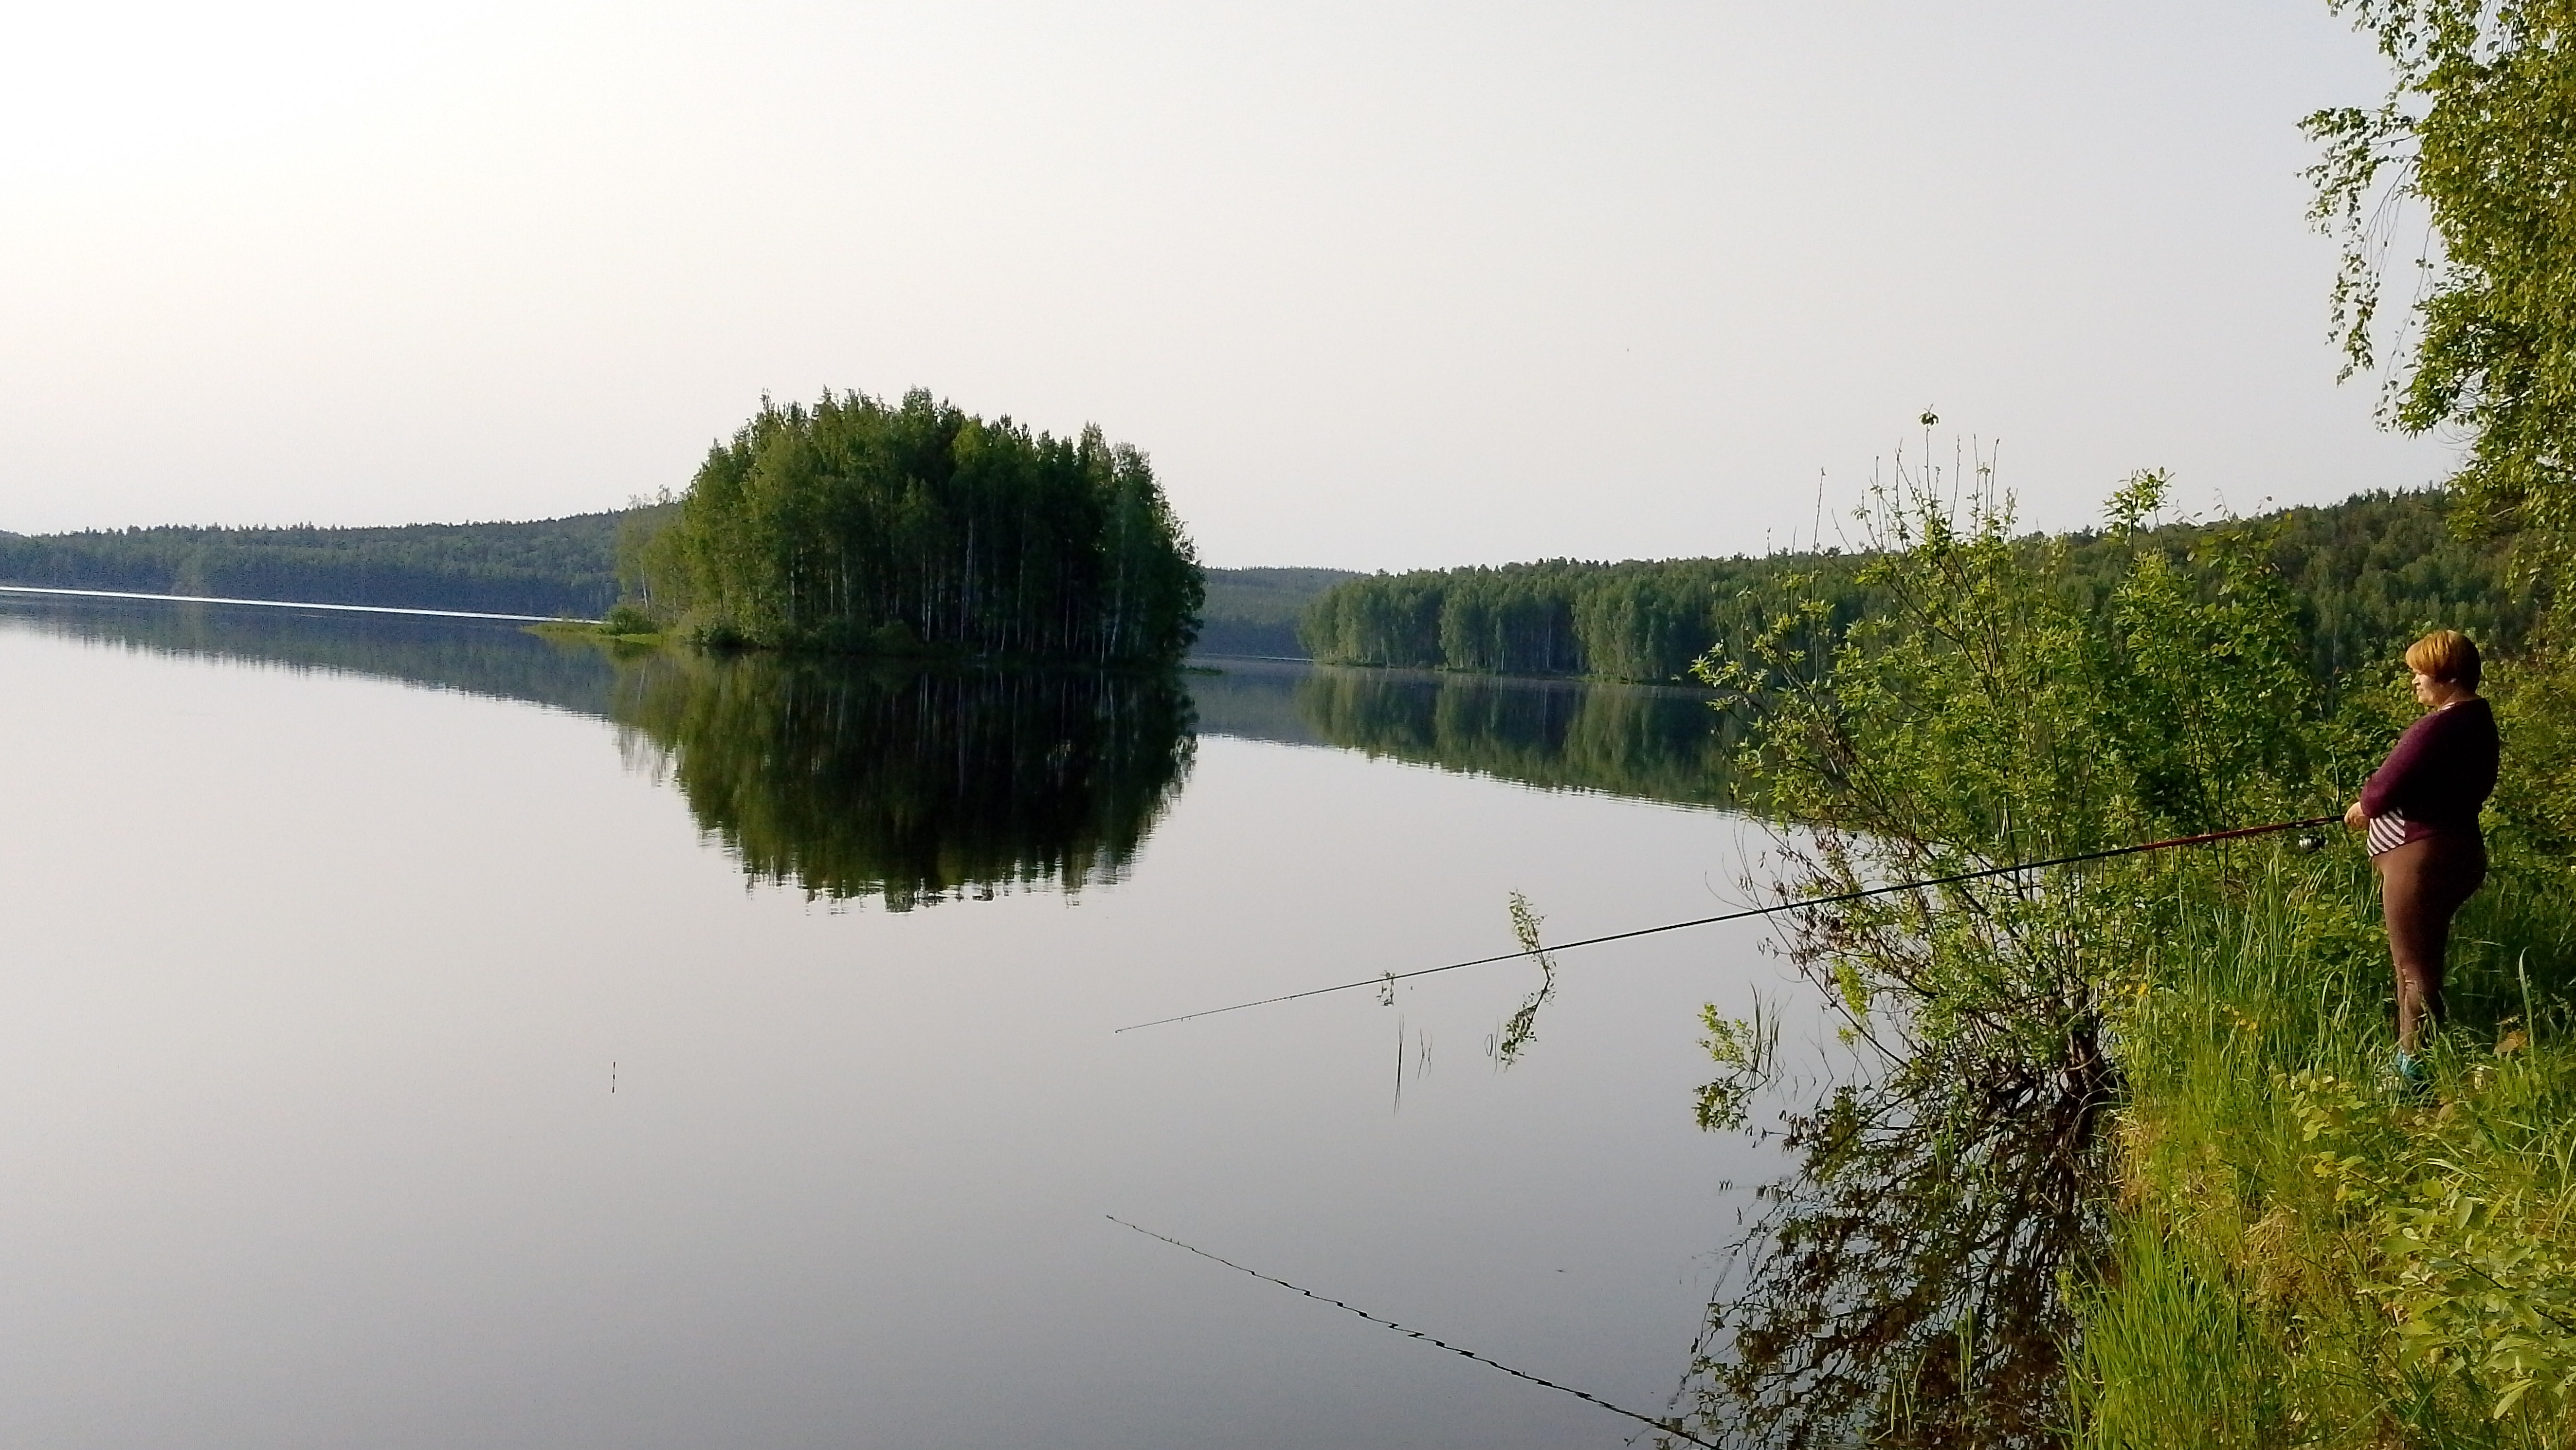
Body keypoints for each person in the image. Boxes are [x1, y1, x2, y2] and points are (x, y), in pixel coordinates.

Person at [2344, 629, 2499, 1089]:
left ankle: (2413, 1071)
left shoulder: (2438, 726)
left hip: (2419, 859)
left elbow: (2381, 789)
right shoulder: (2479, 722)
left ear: (2446, 675)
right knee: (2420, 963)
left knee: (2413, 967)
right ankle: (2416, 1059)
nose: (2414, 681)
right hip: (2458, 848)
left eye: (2419, 673)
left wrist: (2362, 808)